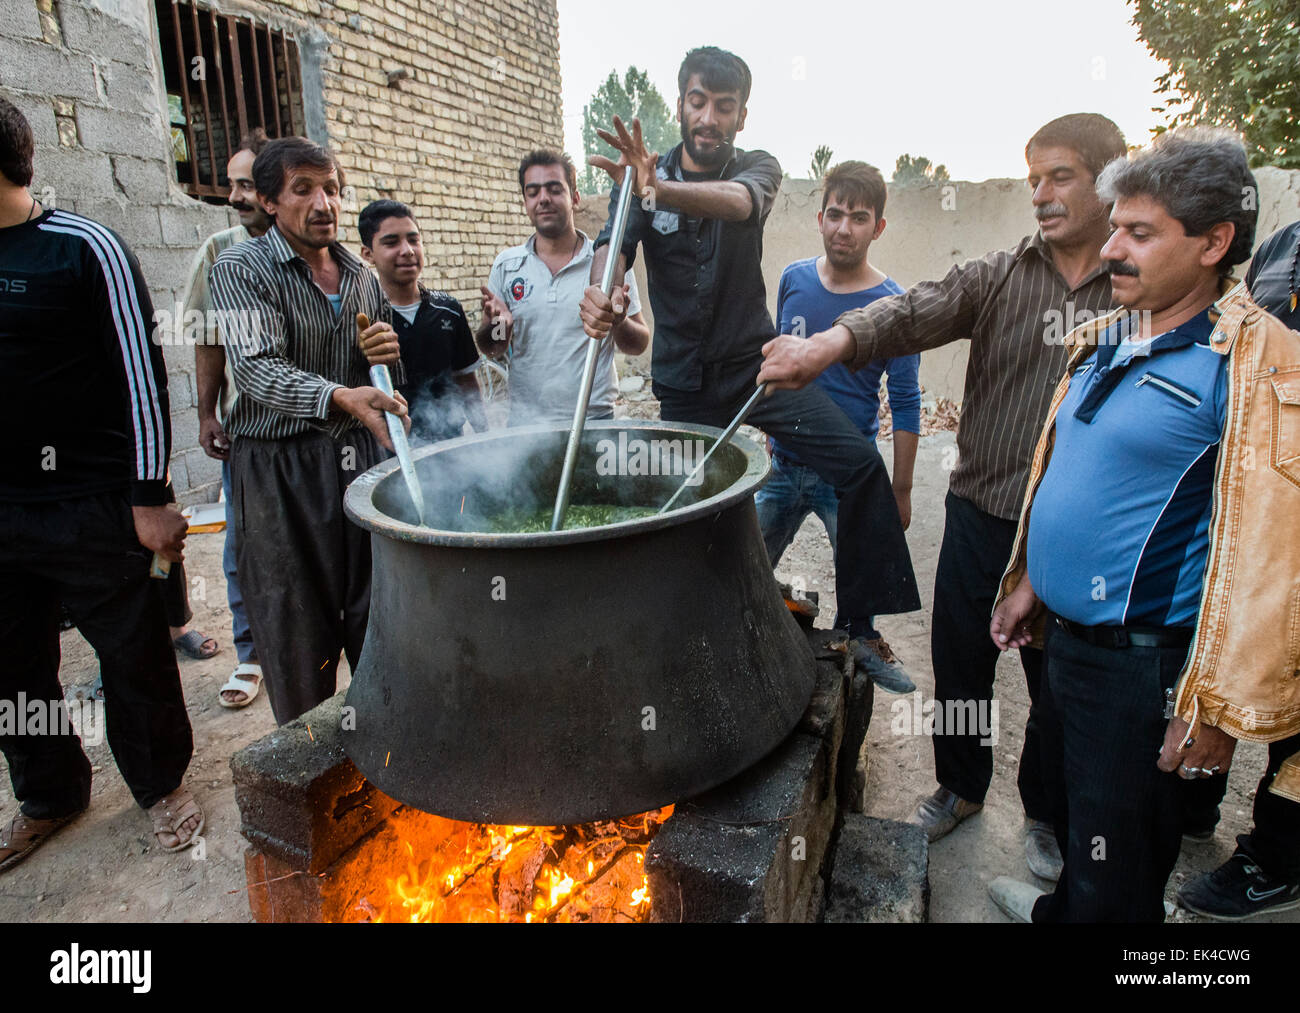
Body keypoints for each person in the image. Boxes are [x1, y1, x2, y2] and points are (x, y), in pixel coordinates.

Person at [758, 114, 1127, 878]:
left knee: (1051, 682)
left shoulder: (1132, 285)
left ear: (1108, 179)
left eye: (1060, 176)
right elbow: (911, 311)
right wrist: (826, 345)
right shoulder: (1000, 273)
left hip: (1066, 532)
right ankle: (959, 786)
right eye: (1033, 179)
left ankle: (1047, 815)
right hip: (978, 511)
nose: (1042, 194)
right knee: (961, 666)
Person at [986, 128, 1300, 922]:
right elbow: (1071, 467)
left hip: (1143, 672)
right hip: (1067, 642)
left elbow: (1278, 554)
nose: (1112, 249)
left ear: (1214, 242)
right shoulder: (1114, 335)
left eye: (1139, 232)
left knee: (1119, 867)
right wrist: (1030, 578)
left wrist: (1217, 708)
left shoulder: (1255, 368)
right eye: (1115, 226)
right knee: (1083, 825)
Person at [580, 47, 921, 654]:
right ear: (681, 104)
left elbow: (739, 204)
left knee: (861, 465)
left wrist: (661, 188)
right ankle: (702, 637)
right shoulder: (640, 179)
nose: (709, 116)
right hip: (683, 388)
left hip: (755, 374)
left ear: (741, 116)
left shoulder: (756, 167)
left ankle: (860, 630)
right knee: (697, 517)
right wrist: (602, 292)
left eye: (724, 106)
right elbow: (614, 244)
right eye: (697, 101)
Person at [0, 96, 203, 869]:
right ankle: (49, 792)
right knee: (11, 663)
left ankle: (161, 786)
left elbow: (141, 376)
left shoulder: (83, 247)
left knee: (132, 653)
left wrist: (149, 495)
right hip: (1, 513)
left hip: (90, 505)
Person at [209, 136, 410, 725]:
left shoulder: (360, 275)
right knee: (295, 628)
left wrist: (384, 358)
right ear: (270, 201)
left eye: (332, 190)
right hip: (277, 472)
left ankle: (386, 747)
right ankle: (311, 765)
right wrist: (340, 394)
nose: (323, 203)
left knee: (375, 615)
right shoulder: (241, 270)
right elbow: (255, 370)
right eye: (304, 190)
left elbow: (379, 379)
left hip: (353, 464)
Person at [1174, 215, 1300, 921]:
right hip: (1252, 484)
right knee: (1221, 627)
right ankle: (1197, 793)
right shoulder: (1287, 242)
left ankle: (1277, 860)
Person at [757, 160, 920, 694]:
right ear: (819, 219)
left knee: (862, 588)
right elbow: (777, 367)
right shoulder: (794, 280)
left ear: (878, 227)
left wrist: (899, 488)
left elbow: (905, 400)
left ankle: (862, 647)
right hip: (782, 469)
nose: (843, 228)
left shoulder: (892, 305)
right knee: (745, 567)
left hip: (846, 481)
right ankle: (752, 640)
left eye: (858, 217)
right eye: (834, 214)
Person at [184, 128, 271, 708]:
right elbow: (208, 339)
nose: (235, 197)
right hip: (248, 430)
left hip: (316, 433)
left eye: (248, 184)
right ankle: (251, 653)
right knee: (242, 543)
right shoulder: (219, 252)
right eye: (232, 184)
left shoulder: (315, 253)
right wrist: (208, 412)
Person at [477, 149, 648, 425]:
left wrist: (618, 321)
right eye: (533, 192)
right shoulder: (507, 266)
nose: (543, 198)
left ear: (575, 198)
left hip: (593, 422)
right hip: (526, 425)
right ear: (525, 203)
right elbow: (493, 348)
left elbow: (639, 343)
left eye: (554, 189)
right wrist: (499, 327)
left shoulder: (608, 260)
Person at [357, 198, 487, 442]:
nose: (407, 250)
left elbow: (466, 381)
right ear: (368, 253)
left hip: (450, 445)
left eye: (413, 239)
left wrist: (485, 437)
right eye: (391, 242)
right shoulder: (364, 319)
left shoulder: (448, 310)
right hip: (390, 450)